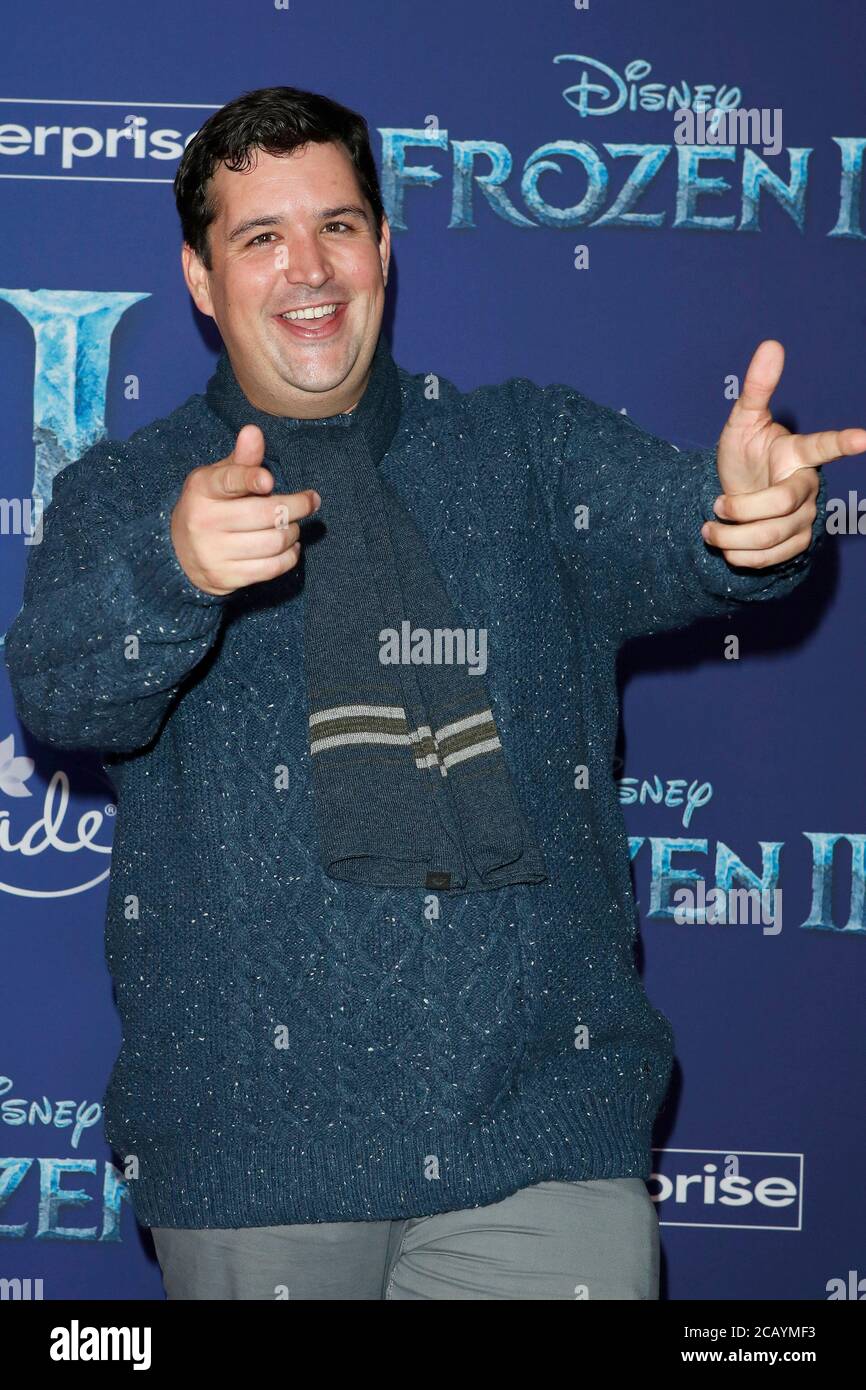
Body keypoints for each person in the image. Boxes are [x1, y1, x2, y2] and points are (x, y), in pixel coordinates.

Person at [5, 85, 856, 1301]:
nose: (309, 269)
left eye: (339, 226)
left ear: (385, 249)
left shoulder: (522, 448)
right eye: (260, 238)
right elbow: (66, 698)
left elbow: (679, 529)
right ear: (199, 280)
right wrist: (173, 570)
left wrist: (744, 521)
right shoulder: (126, 493)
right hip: (256, 1161)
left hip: (539, 1149)